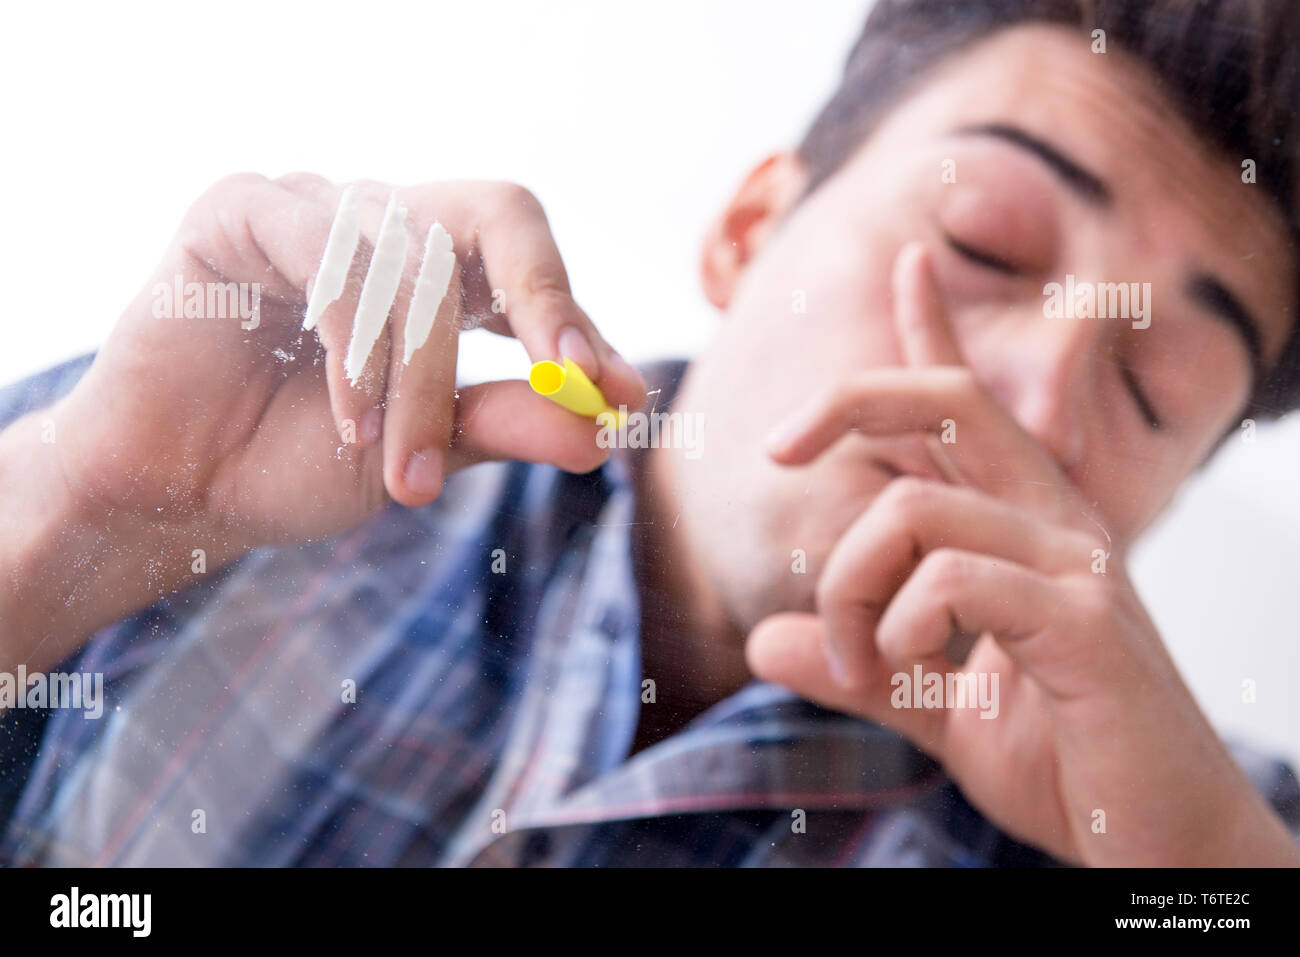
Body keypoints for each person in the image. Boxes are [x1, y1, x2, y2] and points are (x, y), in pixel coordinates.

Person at [2, 0, 1299, 866]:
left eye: (1155, 390)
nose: (1034, 402)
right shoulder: (215, 444)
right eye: (981, 244)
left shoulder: (1213, 833)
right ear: (752, 234)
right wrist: (76, 513)